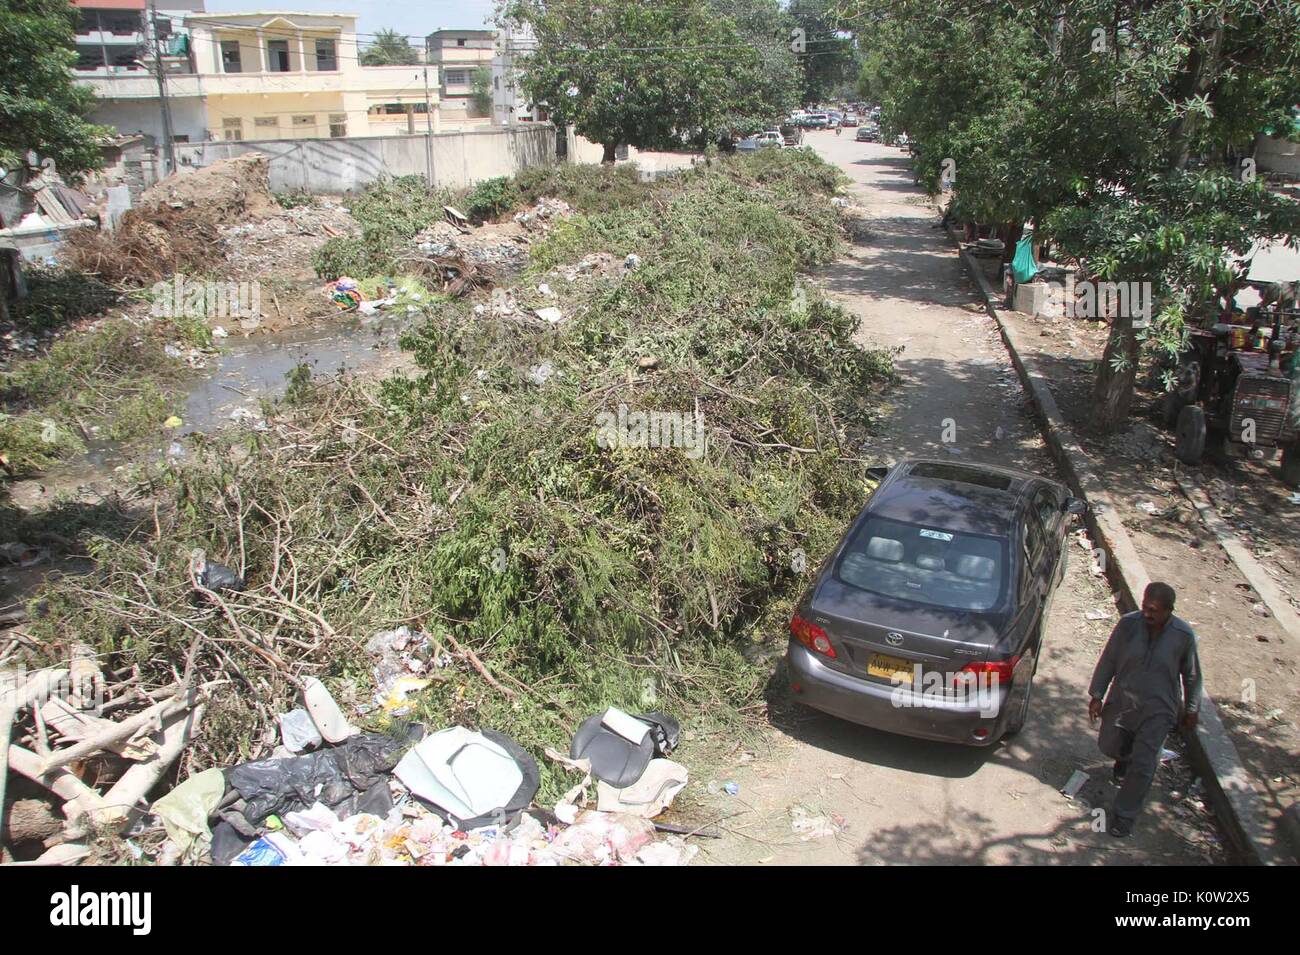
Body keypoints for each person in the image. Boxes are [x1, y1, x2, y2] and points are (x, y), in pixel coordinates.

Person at [1087, 582, 1201, 838]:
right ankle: (1123, 759)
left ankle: (1124, 815)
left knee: (1144, 763)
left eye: (1154, 610)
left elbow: (1191, 676)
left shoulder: (1183, 636)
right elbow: (1109, 659)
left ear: (1169, 611)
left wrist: (1192, 708)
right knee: (1108, 745)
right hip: (1122, 700)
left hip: (1159, 709)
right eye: (1145, 607)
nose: (1147, 614)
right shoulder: (1128, 625)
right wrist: (1097, 694)